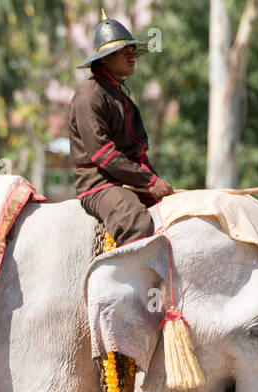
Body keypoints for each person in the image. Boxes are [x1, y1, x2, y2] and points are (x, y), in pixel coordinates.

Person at [67, 11, 172, 247]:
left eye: (132, 52)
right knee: (136, 223)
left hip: (127, 180)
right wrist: (149, 180)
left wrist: (156, 180)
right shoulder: (89, 96)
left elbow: (135, 152)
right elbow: (104, 155)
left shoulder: (121, 97)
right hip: (99, 185)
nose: (131, 57)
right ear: (104, 59)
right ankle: (124, 284)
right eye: (123, 53)